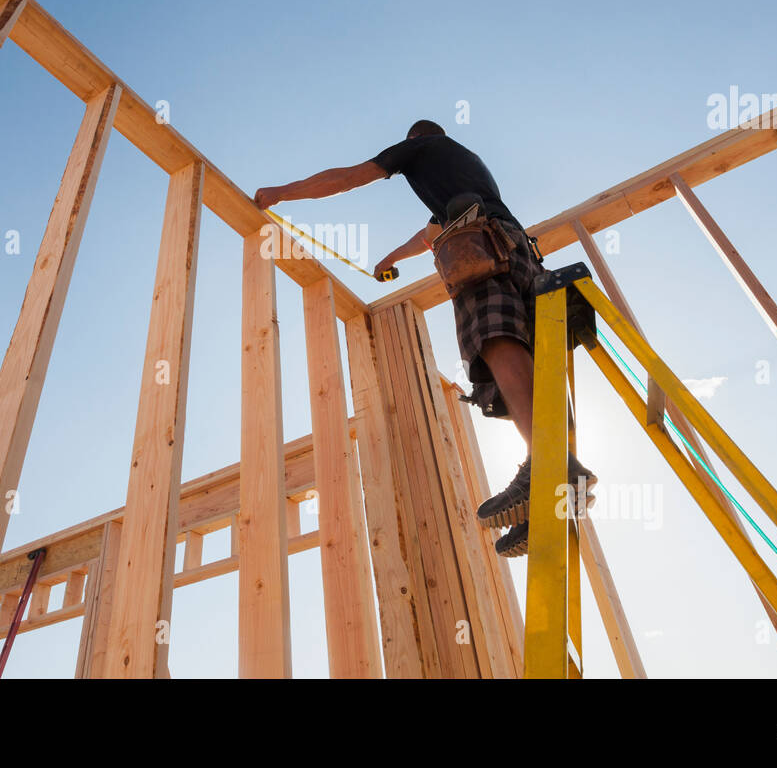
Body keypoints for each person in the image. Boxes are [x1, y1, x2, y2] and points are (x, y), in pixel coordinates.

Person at [253, 119, 595, 558]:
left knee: (495, 339)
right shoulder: (467, 170)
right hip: (517, 252)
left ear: (417, 139)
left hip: (479, 250)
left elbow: (348, 178)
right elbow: (430, 233)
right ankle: (551, 473)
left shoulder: (422, 147)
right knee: (524, 361)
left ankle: (552, 468)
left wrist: (282, 193)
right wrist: (391, 258)